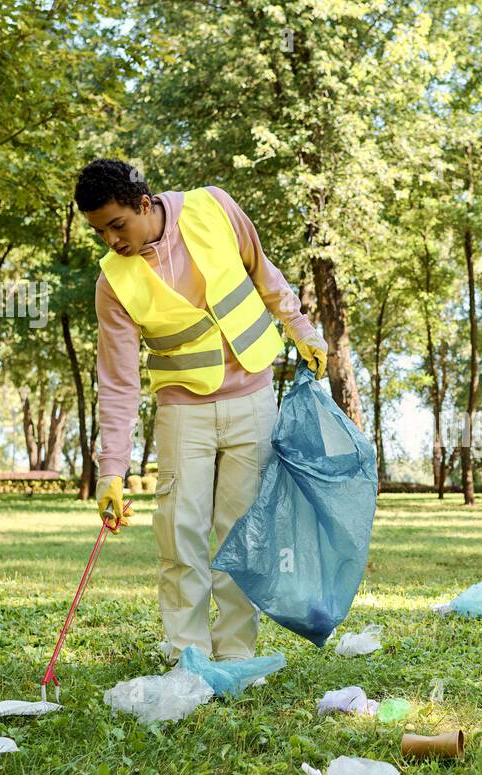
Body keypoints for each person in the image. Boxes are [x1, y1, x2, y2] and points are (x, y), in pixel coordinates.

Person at [74, 159, 329, 662]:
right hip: (182, 412)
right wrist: (112, 469)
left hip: (252, 399)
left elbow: (263, 273)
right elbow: (119, 381)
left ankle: (236, 652)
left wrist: (302, 330)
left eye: (117, 225)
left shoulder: (215, 207)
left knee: (241, 535)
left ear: (143, 204)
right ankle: (187, 654)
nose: (111, 240)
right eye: (99, 232)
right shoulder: (113, 283)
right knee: (179, 533)